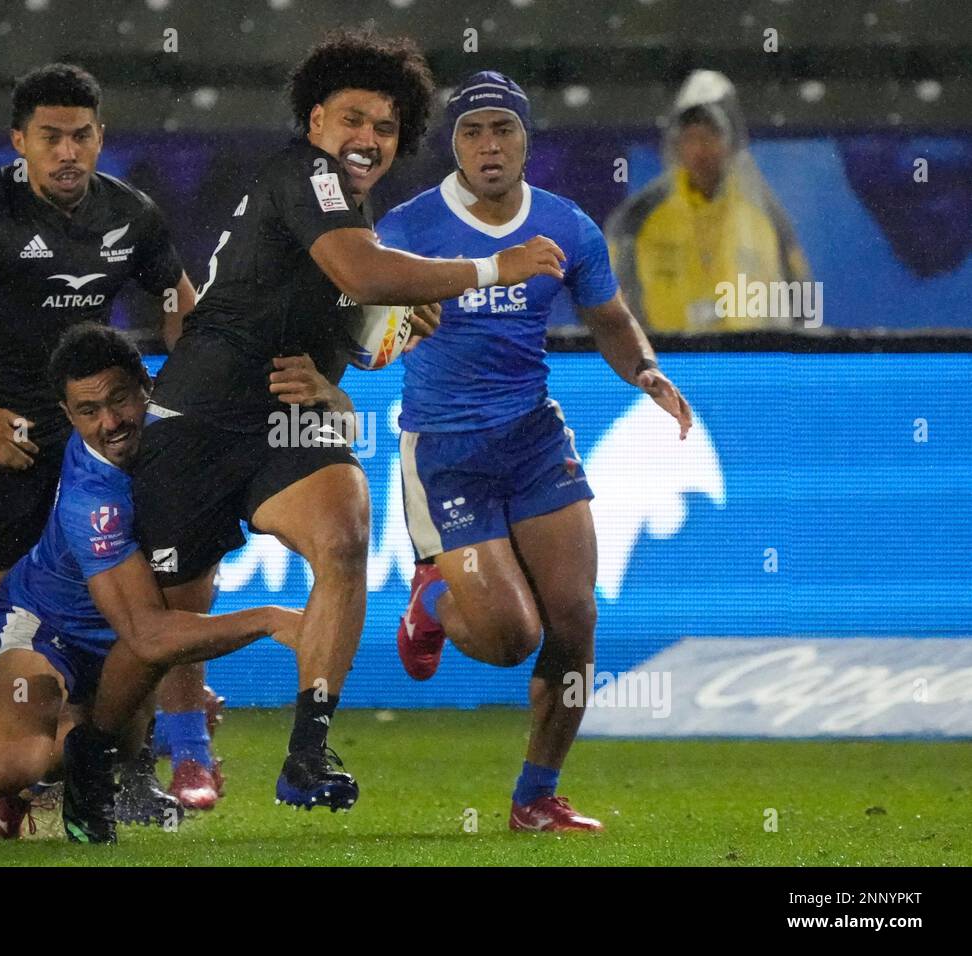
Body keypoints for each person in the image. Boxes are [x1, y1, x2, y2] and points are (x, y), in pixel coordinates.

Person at [80, 30, 566, 818]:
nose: (367, 138)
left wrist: (372, 354)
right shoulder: (304, 175)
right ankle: (111, 761)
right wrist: (492, 267)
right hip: (198, 416)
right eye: (352, 119)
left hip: (283, 420)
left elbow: (351, 335)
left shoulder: (353, 210)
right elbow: (361, 274)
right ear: (314, 123)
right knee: (168, 622)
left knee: (342, 537)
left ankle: (307, 751)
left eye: (384, 126)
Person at [377, 71, 693, 833]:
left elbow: (611, 318)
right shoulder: (408, 228)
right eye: (472, 132)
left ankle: (535, 797)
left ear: (525, 138)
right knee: (509, 639)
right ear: (452, 145)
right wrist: (385, 333)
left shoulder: (567, 226)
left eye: (503, 130)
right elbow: (362, 333)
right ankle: (433, 597)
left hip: (532, 438)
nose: (489, 146)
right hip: (447, 452)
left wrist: (646, 369)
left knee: (576, 619)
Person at [0, 324, 302, 846]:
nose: (111, 423)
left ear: (147, 386)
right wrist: (272, 620)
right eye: (88, 412)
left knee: (84, 750)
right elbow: (149, 634)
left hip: (121, 651)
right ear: (68, 415)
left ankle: (72, 760)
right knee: (17, 762)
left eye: (120, 400)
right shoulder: (92, 497)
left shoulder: (182, 434)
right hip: (43, 629)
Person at [0, 63, 199, 735]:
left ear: (100, 137)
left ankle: (124, 769)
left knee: (120, 614)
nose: (67, 152)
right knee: (12, 634)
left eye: (81, 136)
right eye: (50, 137)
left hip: (95, 437)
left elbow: (181, 305)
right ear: (18, 141)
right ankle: (3, 749)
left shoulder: (131, 214)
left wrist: (182, 397)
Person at [605, 69, 812, 331]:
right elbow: (608, 301)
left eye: (710, 136)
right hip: (666, 364)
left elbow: (800, 299)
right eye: (690, 137)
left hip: (749, 365)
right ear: (676, 143)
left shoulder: (765, 216)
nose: (699, 150)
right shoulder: (638, 217)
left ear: (731, 142)